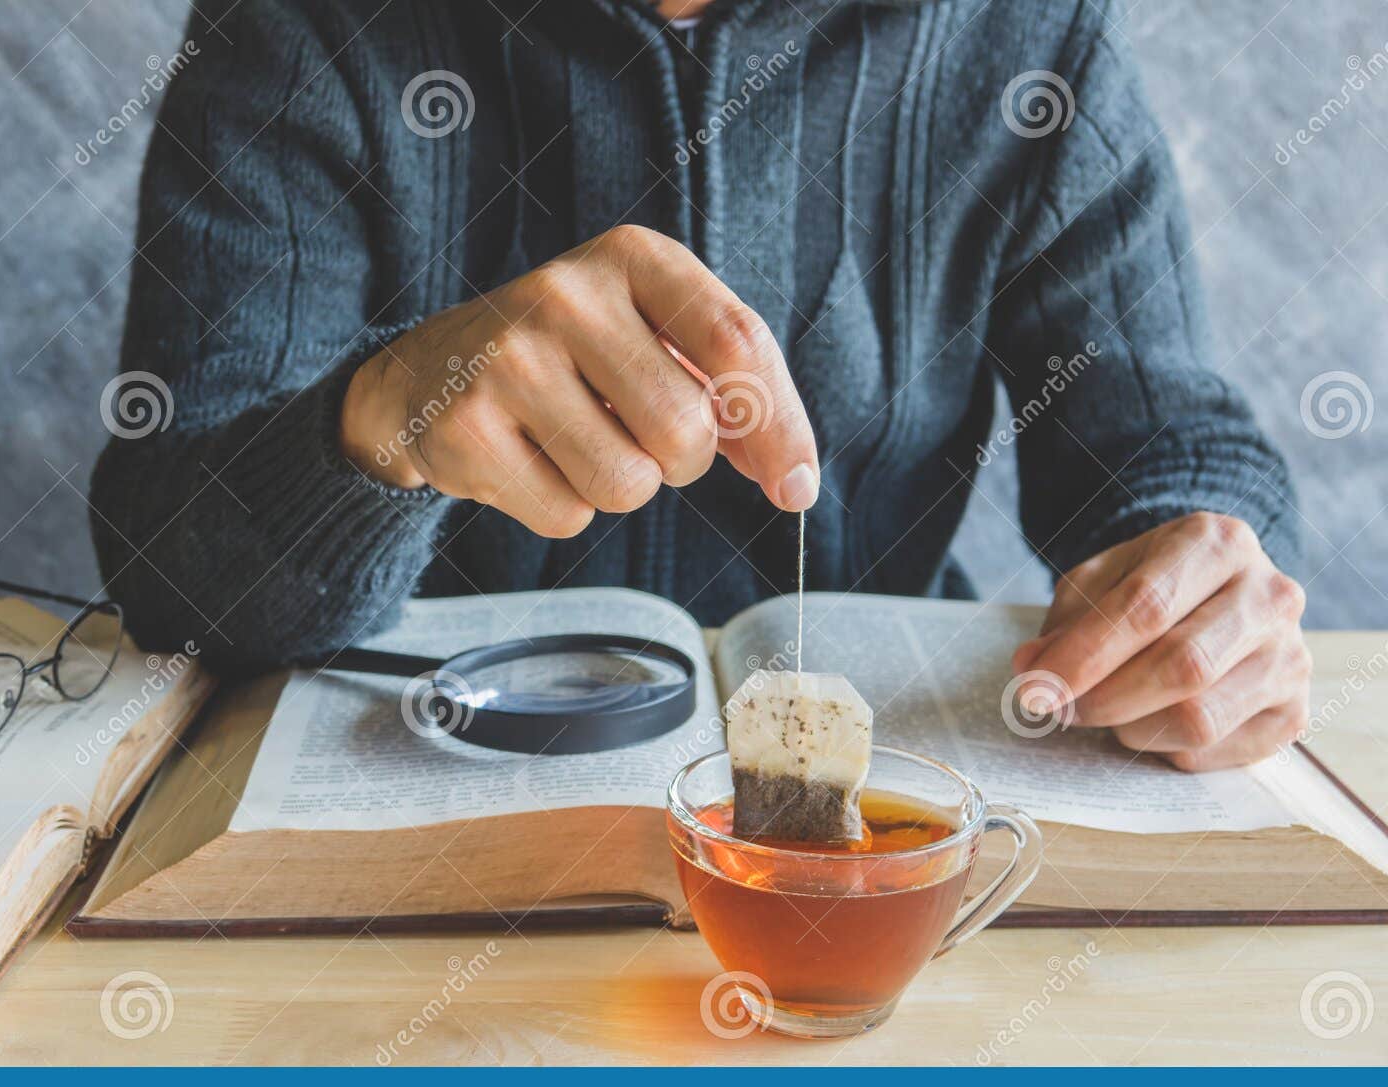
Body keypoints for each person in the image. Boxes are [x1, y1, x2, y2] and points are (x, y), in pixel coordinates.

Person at [90, 0, 1310, 771]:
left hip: (888, 775)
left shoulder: (1032, 38)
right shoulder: (298, 29)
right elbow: (167, 566)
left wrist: (1192, 583)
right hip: (418, 769)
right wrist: (377, 422)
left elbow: (1161, 433)